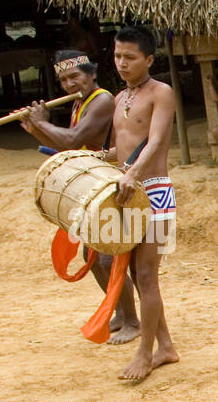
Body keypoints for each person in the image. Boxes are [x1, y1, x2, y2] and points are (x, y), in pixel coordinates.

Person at [16, 50, 140, 345]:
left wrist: (43, 122)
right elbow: (65, 148)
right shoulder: (80, 104)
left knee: (109, 256)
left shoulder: (101, 100)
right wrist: (36, 129)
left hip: (114, 182)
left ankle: (133, 320)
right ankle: (121, 314)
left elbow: (72, 141)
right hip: (94, 185)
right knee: (93, 255)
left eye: (75, 76)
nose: (70, 84)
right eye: (63, 80)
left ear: (91, 74)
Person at [109, 25, 180, 381]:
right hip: (128, 187)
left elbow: (155, 141)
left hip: (153, 189)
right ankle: (165, 346)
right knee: (140, 275)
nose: (122, 63)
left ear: (149, 59)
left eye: (130, 57)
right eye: (118, 56)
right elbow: (121, 147)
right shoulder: (119, 98)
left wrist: (132, 173)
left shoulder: (161, 92)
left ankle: (145, 352)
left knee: (147, 274)